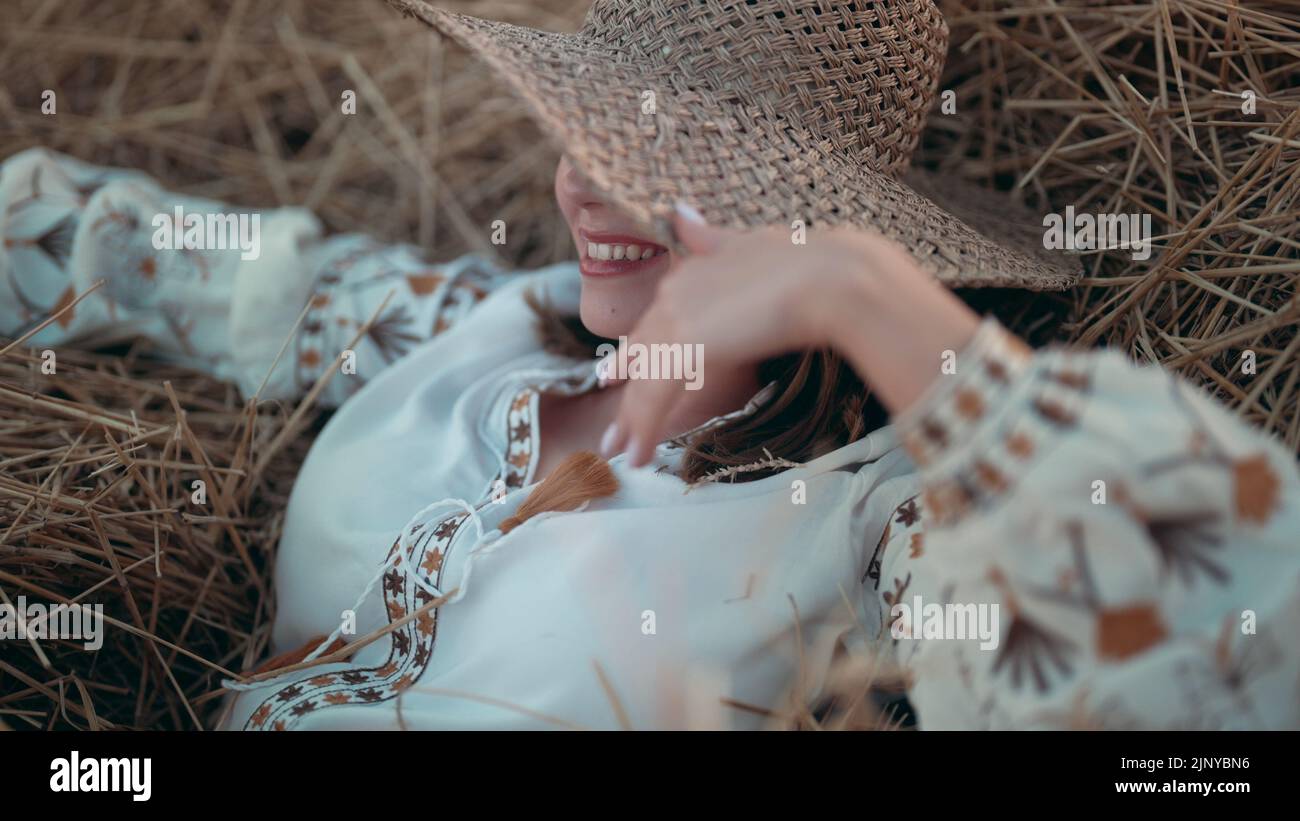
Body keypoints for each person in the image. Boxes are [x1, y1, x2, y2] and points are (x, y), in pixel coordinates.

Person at [2, 0, 1297, 730]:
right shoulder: (488, 324)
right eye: (588, 132)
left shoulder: (875, 527)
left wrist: (866, 300)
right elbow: (141, 251)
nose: (589, 186)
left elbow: (1233, 648)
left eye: (673, 166)